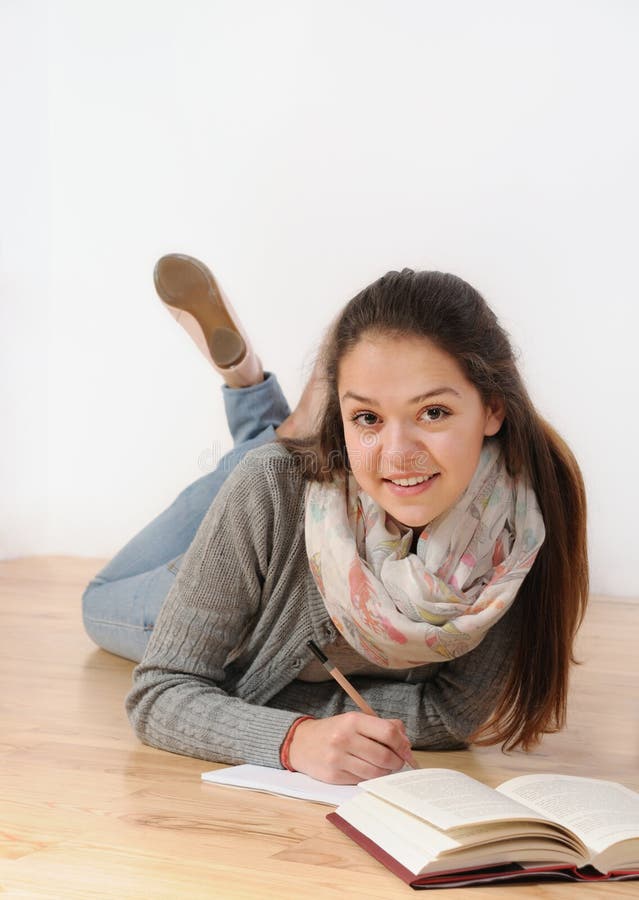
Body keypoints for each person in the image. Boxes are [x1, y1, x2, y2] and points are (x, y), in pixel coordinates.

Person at [81, 254, 589, 785]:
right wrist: (295, 738)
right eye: (366, 417)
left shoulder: (518, 530)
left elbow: (450, 714)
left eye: (432, 412)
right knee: (99, 600)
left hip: (292, 485)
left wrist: (291, 711)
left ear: (492, 408)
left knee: (278, 463)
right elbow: (161, 690)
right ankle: (274, 418)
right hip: (241, 584)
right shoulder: (270, 491)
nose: (397, 452)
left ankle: (282, 419)